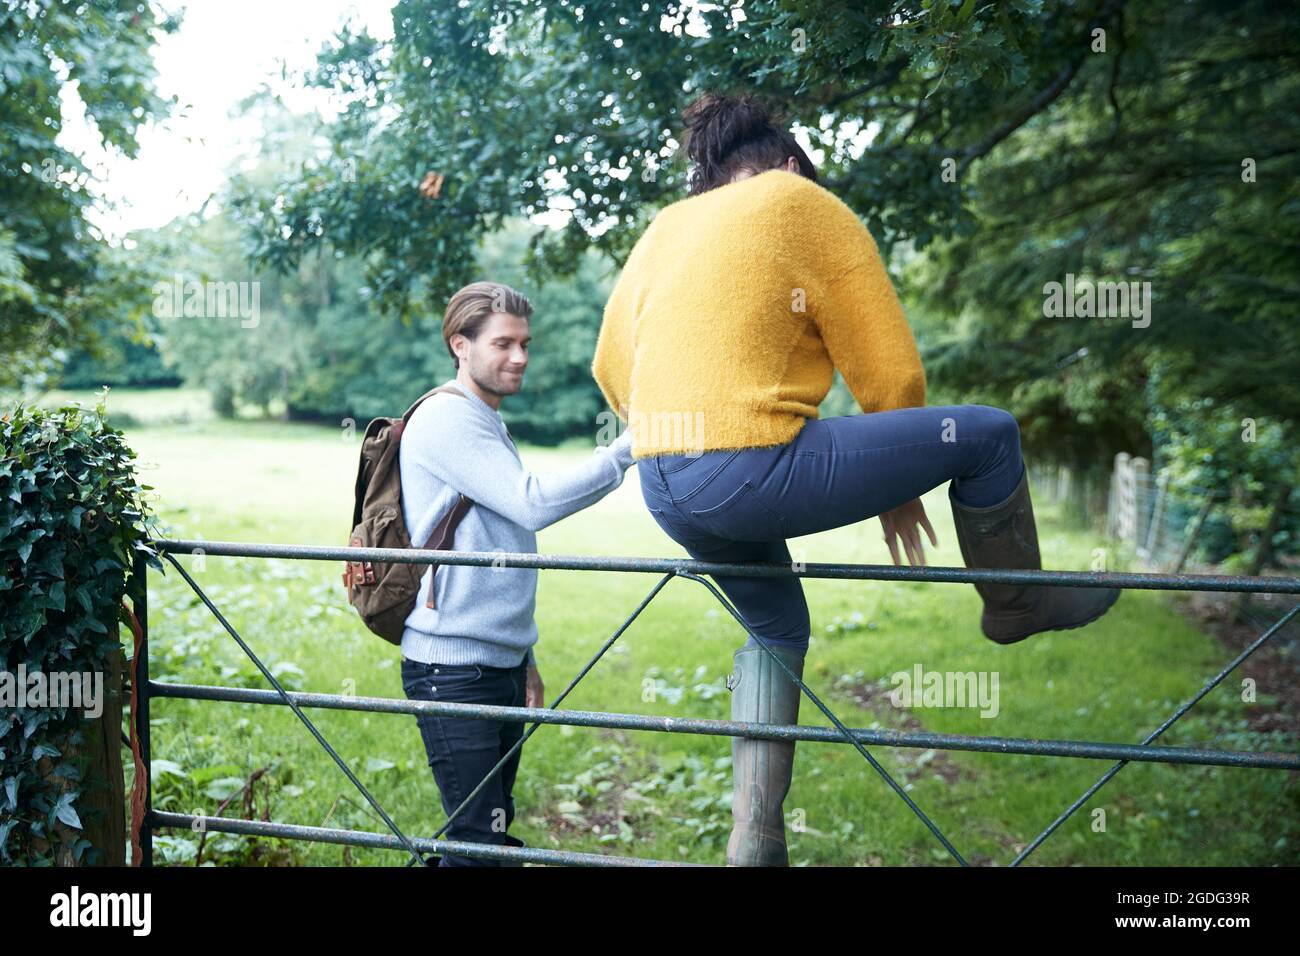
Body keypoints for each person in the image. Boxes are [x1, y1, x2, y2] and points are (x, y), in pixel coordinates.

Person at [591, 92, 1120, 867]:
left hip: (663, 485)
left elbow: (610, 364)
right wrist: (899, 487)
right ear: (793, 162)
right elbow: (889, 364)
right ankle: (1015, 601)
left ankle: (755, 842)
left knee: (775, 629)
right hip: (746, 469)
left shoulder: (670, 225)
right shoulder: (799, 199)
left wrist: (673, 434)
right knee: (987, 433)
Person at [400, 281, 635, 866]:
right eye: (503, 343)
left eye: (525, 343)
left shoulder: (484, 420)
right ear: (460, 344)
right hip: (451, 669)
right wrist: (626, 450)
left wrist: (522, 660)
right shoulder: (448, 420)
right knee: (481, 844)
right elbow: (529, 504)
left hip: (494, 664)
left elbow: (498, 535)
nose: (521, 357)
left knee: (483, 839)